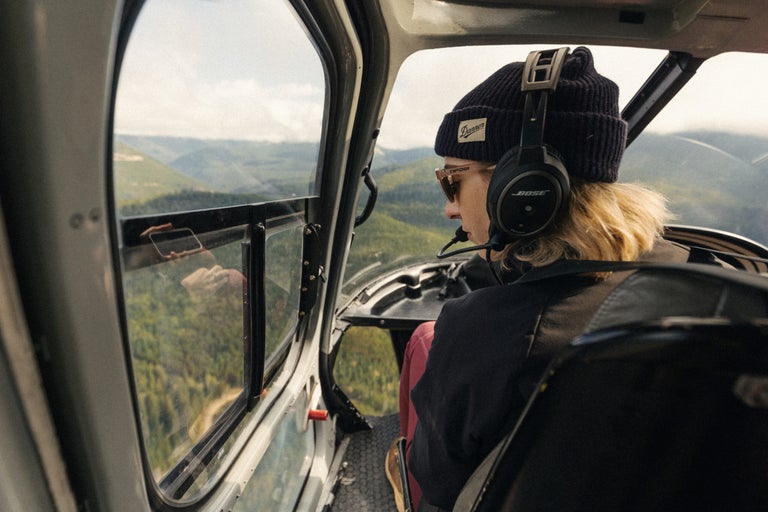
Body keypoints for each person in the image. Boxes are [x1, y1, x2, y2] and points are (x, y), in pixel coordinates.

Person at [404, 46, 692, 511]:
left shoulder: (485, 331)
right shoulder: (711, 282)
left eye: (453, 179)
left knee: (423, 340)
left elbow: (437, 482)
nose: (449, 207)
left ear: (522, 189)